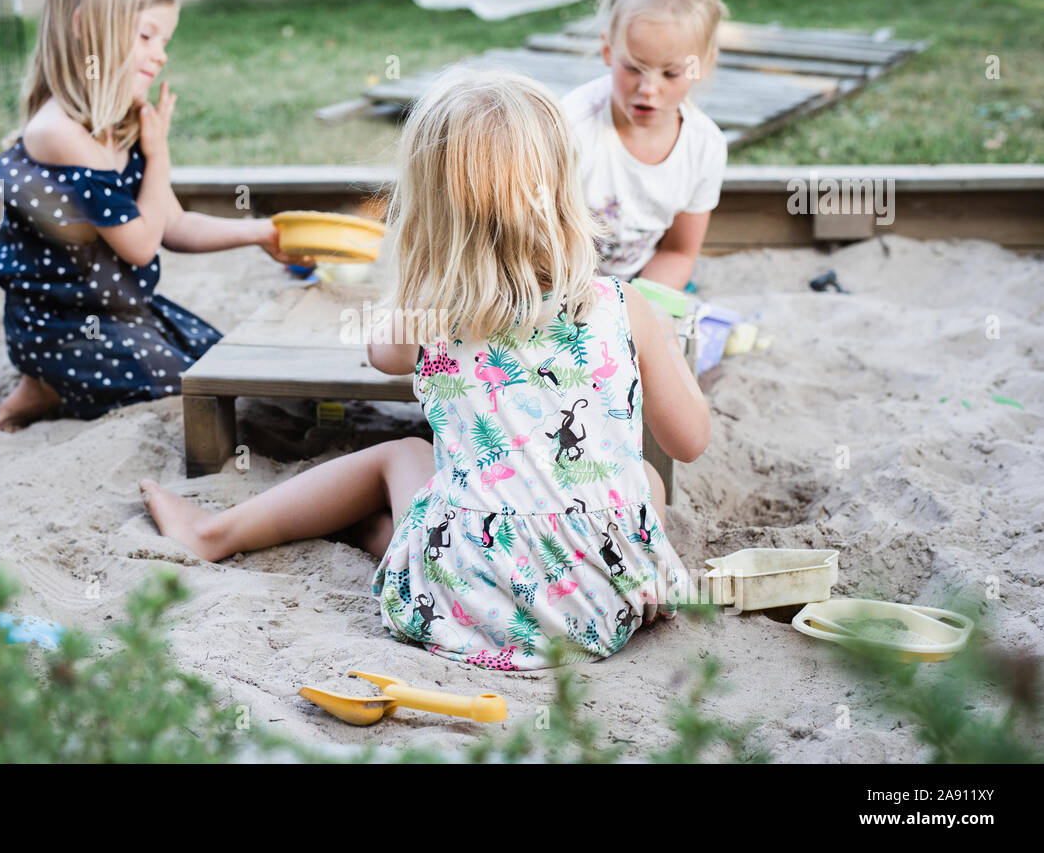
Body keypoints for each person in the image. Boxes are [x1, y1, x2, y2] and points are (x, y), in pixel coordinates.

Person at [140, 68, 710, 670]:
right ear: (567, 188)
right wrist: (662, 346)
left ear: (428, 214)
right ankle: (402, 542)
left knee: (404, 455)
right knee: (644, 475)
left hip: (461, 600)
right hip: (604, 608)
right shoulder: (625, 305)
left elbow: (382, 355)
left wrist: (419, 280)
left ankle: (217, 534)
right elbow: (690, 442)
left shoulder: (431, 316)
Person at [0, 0, 308, 430]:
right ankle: (44, 382)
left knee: (220, 365)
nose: (161, 53)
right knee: (195, 394)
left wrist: (262, 232)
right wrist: (160, 157)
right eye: (146, 35)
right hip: (63, 328)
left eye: (165, 39)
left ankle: (53, 386)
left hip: (124, 311)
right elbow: (139, 245)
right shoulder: (59, 134)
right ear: (85, 29)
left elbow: (171, 224)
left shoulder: (116, 123)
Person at [562, 0, 729, 289]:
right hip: (568, 284)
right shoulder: (570, 129)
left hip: (643, 283)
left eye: (671, 73)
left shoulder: (704, 146)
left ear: (704, 64)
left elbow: (679, 253)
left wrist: (640, 308)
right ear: (608, 50)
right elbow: (533, 246)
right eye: (634, 67)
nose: (648, 88)